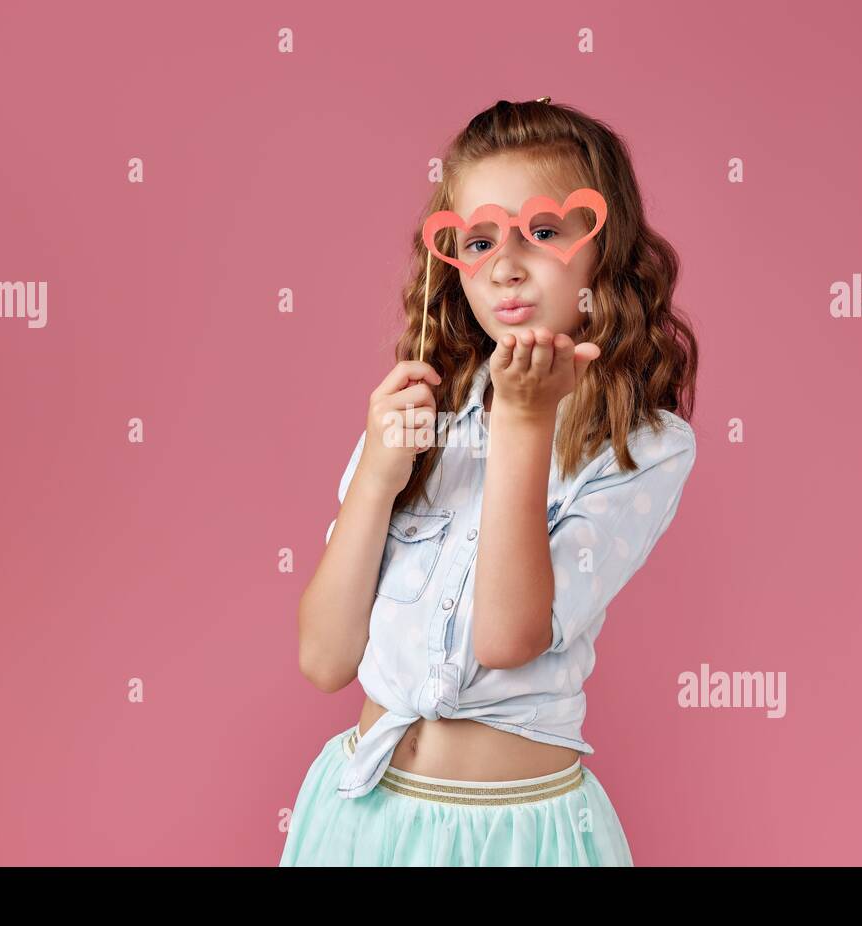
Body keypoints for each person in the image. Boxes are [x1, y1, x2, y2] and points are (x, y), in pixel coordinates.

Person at [280, 97, 699, 866]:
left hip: (516, 836)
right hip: (360, 824)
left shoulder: (645, 445)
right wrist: (377, 476)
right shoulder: (418, 413)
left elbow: (507, 637)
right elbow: (324, 658)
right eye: (477, 240)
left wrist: (524, 426)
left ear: (603, 253)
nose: (506, 264)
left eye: (542, 231)